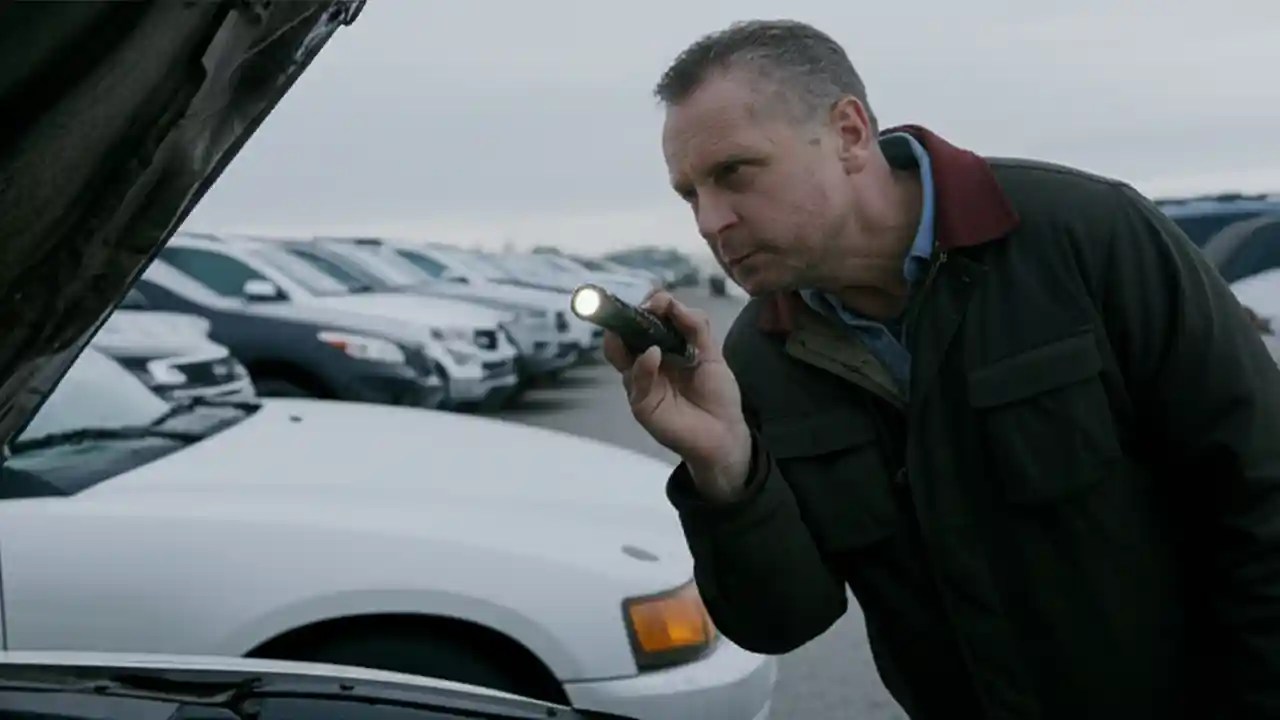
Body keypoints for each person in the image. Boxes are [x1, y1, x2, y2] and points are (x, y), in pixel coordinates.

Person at [603, 19, 1280, 720]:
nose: (710, 221)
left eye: (735, 173)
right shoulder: (759, 357)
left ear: (849, 134)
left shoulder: (1087, 237)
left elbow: (1261, 493)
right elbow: (783, 621)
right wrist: (726, 470)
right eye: (690, 193)